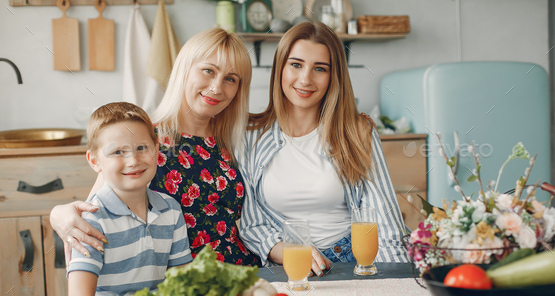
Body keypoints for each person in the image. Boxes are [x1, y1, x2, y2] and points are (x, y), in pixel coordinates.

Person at [50, 28, 260, 267]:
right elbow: (96, 210)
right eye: (208, 71)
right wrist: (58, 213)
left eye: (230, 79)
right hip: (170, 280)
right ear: (184, 70)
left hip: (240, 273)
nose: (216, 87)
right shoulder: (144, 138)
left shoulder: (235, 141)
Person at [238, 22, 411, 276]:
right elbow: (252, 225)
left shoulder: (357, 132)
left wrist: (397, 279)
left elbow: (384, 223)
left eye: (320, 68)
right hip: (285, 266)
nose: (305, 79)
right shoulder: (249, 136)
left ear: (333, 77)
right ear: (280, 69)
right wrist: (289, 250)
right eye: (296, 64)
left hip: (352, 262)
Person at [68, 102, 193, 296]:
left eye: (141, 148)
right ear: (95, 161)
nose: (133, 160)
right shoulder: (92, 221)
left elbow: (183, 282)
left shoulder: (170, 210)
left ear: (156, 151)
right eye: (118, 152)